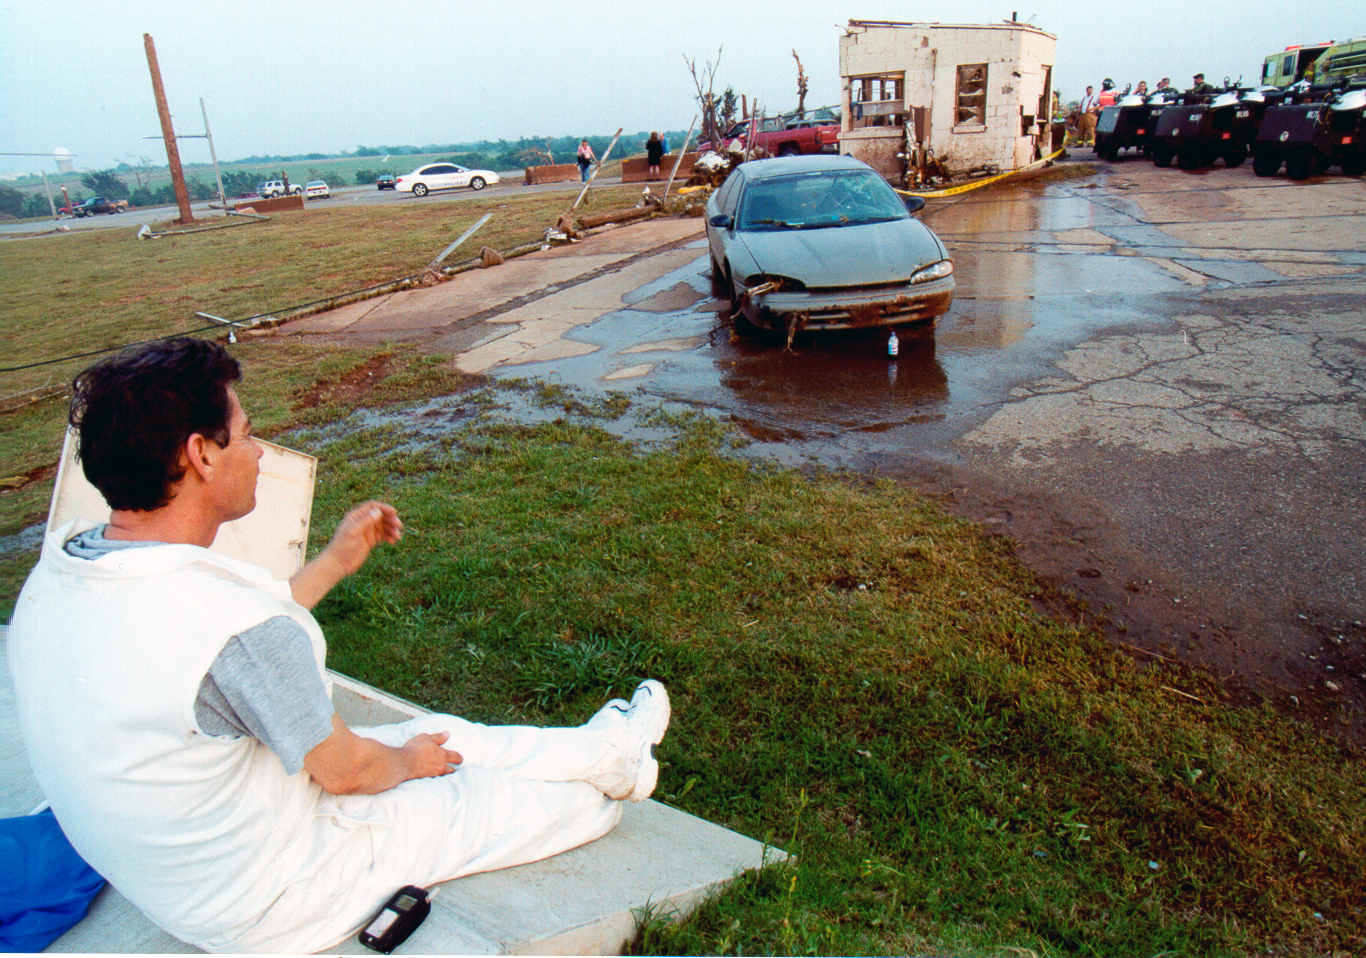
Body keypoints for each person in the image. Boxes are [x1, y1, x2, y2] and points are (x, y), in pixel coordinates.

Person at [8, 338, 671, 954]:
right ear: (201, 455)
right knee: (507, 800)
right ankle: (614, 778)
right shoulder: (230, 628)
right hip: (269, 893)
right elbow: (345, 769)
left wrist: (332, 562)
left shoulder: (70, 565)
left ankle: (611, 746)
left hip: (174, 862)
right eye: (245, 434)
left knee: (438, 734)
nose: (260, 452)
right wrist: (408, 764)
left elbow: (229, 664)